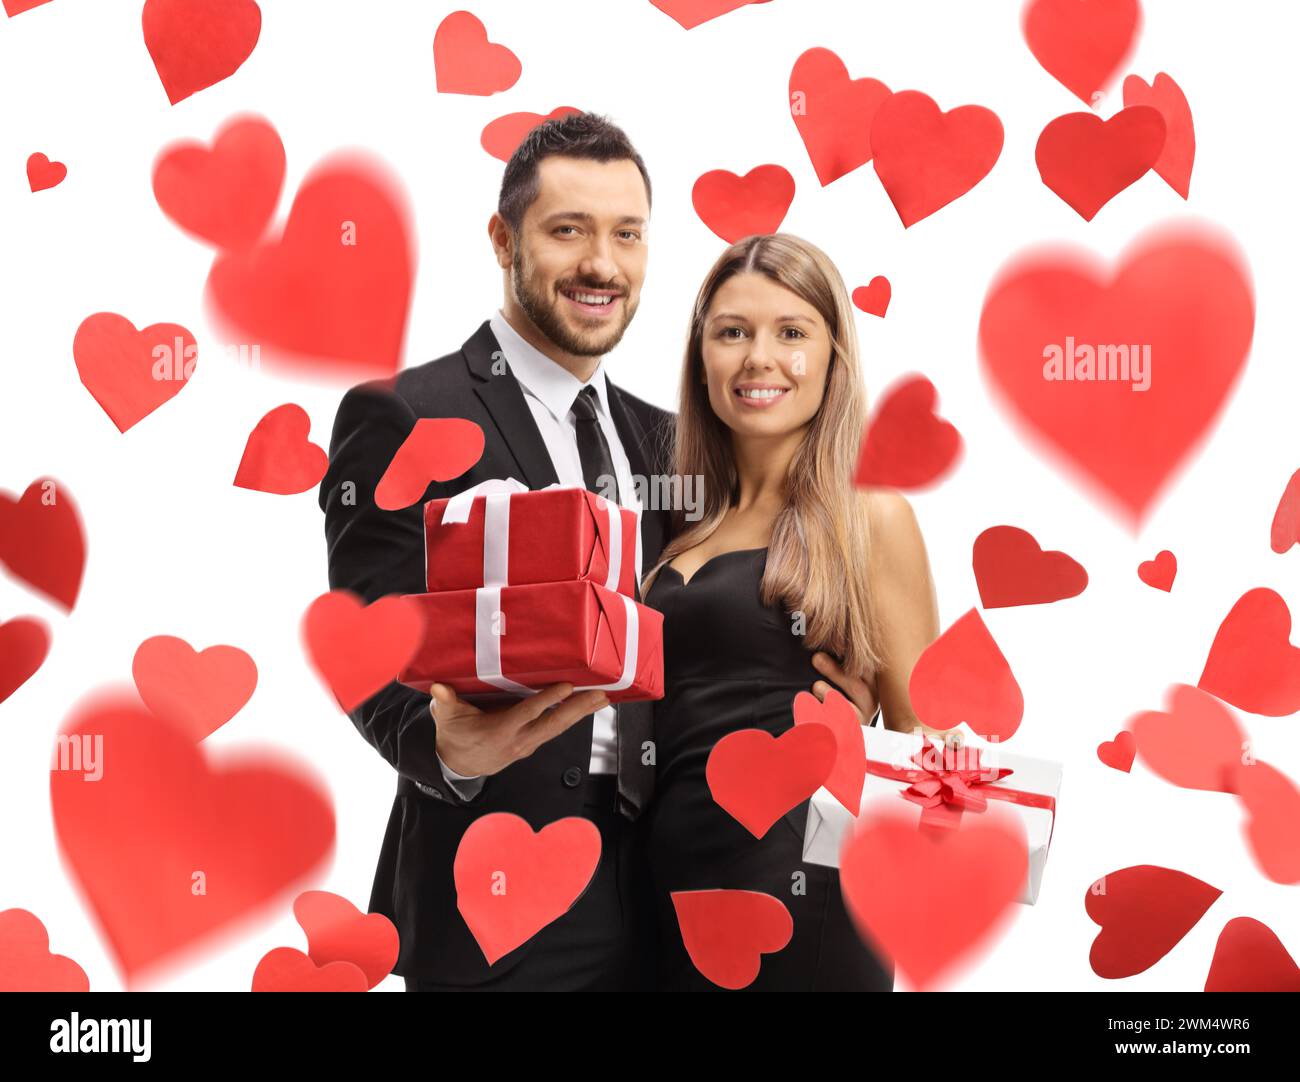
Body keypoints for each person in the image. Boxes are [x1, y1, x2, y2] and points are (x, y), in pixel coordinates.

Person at [319, 112, 670, 990]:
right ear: (502, 238)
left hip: (669, 882)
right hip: (493, 897)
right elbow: (368, 634)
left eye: (627, 234)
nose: (603, 264)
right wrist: (439, 748)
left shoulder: (666, 442)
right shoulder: (402, 414)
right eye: (569, 231)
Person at [640, 233, 952, 991]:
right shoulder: (675, 522)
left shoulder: (868, 517)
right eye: (732, 332)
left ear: (833, 357)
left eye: (792, 333)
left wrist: (854, 742)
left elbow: (931, 752)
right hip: (660, 899)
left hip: (803, 905)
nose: (759, 359)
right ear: (700, 356)